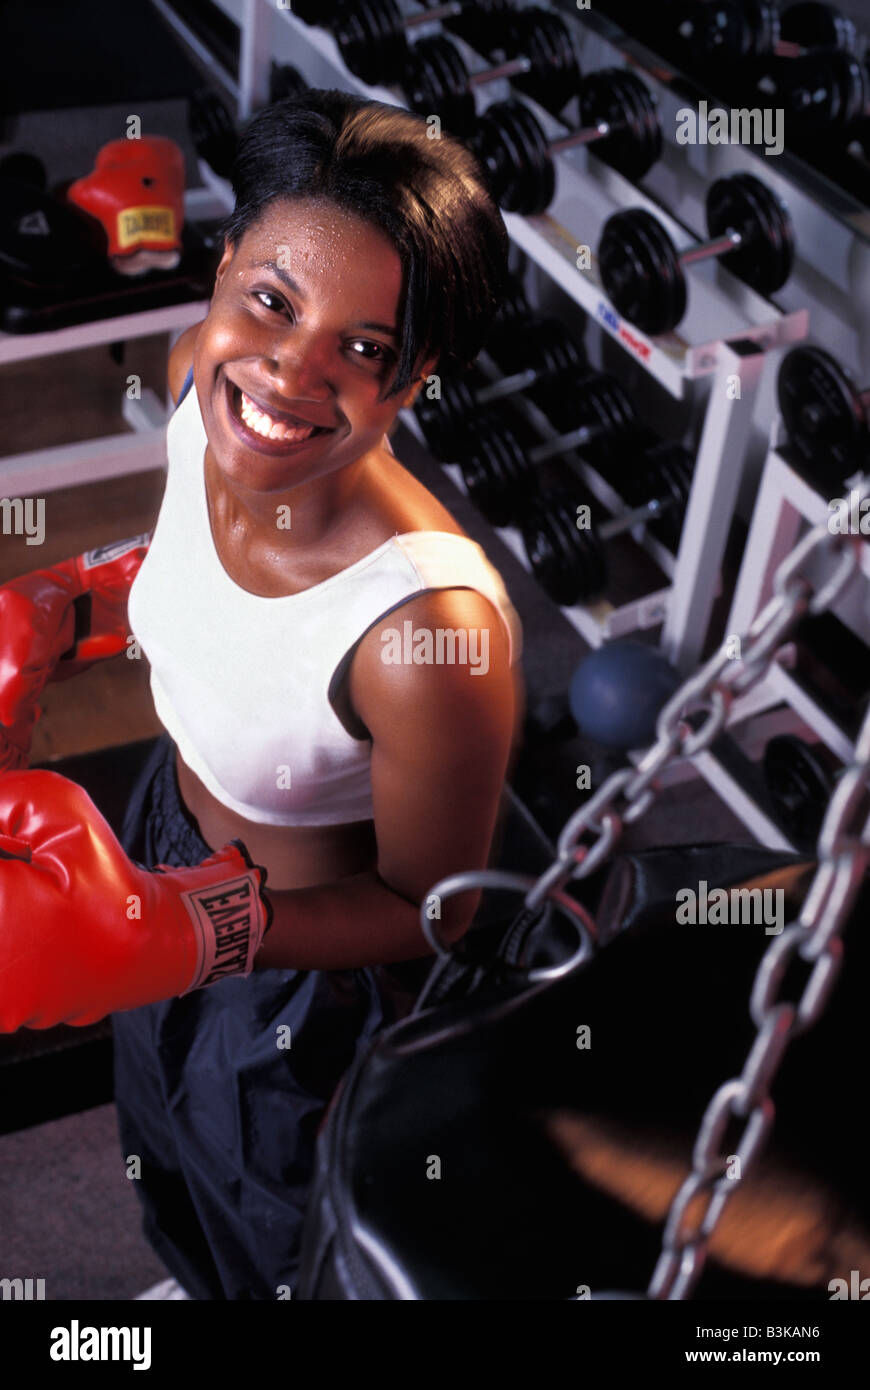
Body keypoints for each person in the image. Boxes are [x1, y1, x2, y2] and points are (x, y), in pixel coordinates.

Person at [0, 89, 524, 1300]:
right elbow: (205, 572)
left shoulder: (428, 631)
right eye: (274, 302)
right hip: (155, 838)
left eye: (364, 346)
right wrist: (69, 609)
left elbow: (438, 915)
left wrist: (198, 930)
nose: (290, 374)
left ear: (418, 373)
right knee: (164, 1154)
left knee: (276, 1230)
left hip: (303, 977)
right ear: (224, 262)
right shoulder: (200, 382)